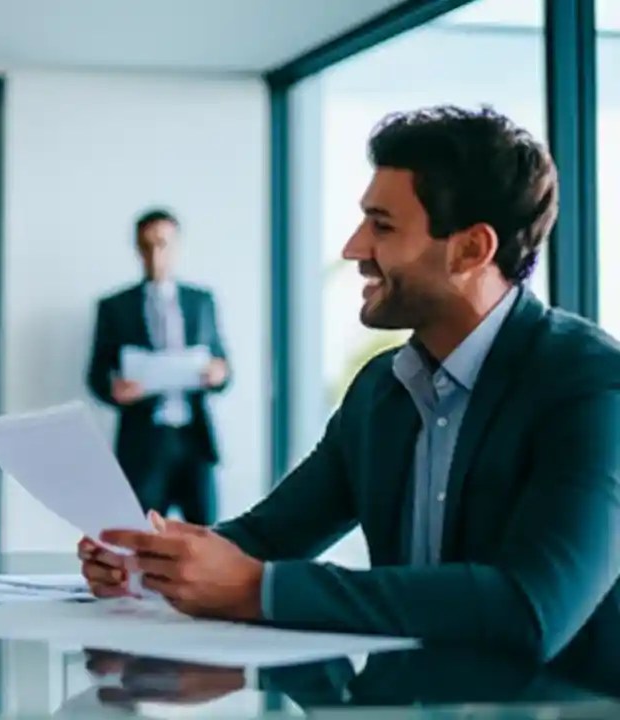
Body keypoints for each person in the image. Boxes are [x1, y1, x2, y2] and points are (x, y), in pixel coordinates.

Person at [80, 106, 620, 665]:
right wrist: (152, 560)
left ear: (470, 250)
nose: (353, 248)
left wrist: (257, 590)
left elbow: (530, 609)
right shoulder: (381, 389)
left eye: (382, 226)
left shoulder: (590, 383)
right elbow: (267, 537)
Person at [86, 209, 230, 524]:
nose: (155, 254)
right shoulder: (115, 306)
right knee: (140, 535)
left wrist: (219, 374)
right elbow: (96, 375)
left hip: (194, 439)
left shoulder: (201, 301)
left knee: (206, 535)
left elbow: (223, 364)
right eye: (147, 245)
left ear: (176, 246)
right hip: (144, 441)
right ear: (137, 249)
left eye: (163, 244)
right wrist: (114, 390)